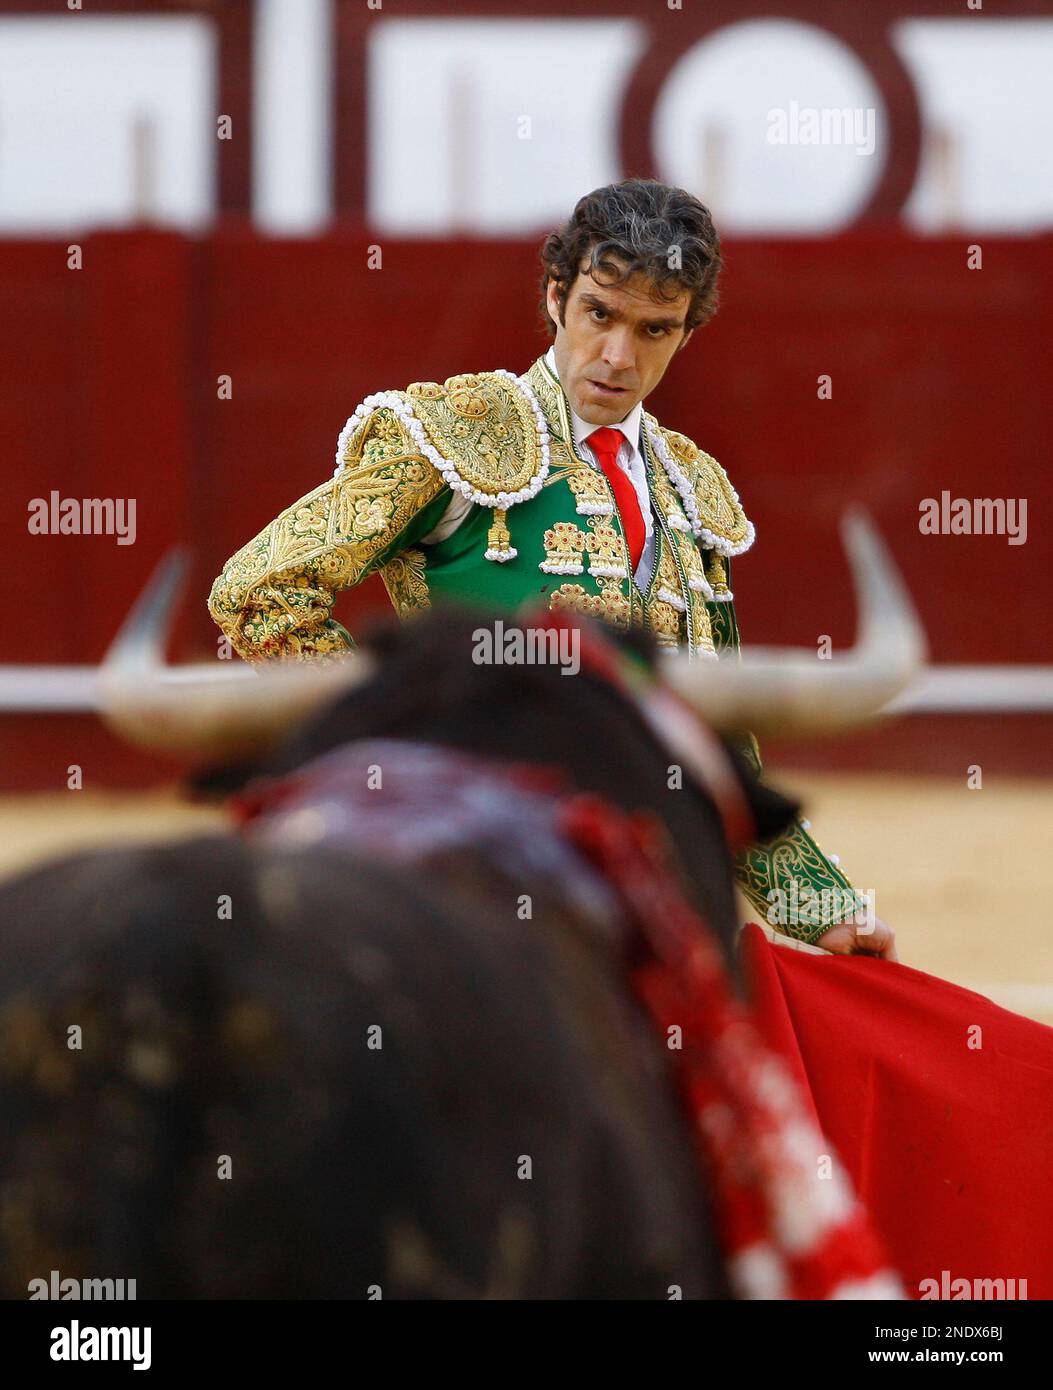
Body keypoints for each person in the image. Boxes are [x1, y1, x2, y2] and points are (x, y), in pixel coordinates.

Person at [207, 178, 893, 957]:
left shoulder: (690, 487)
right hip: (471, 866)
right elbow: (260, 591)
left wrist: (825, 906)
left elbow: (716, 748)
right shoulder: (456, 432)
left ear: (685, 336)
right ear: (556, 297)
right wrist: (404, 739)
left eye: (653, 329)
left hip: (645, 899)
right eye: (600, 314)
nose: (617, 356)